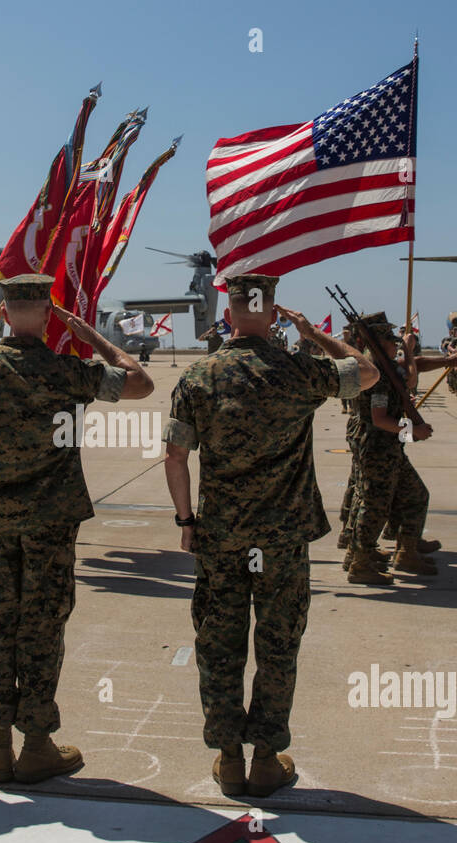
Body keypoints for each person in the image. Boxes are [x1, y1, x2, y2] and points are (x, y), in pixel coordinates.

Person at [162, 275, 377, 798]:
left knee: (219, 643)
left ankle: (229, 758)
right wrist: (317, 335)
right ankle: (264, 758)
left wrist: (186, 521)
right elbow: (367, 372)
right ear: (274, 312)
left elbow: (174, 457)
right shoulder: (298, 370)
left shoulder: (198, 376)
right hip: (281, 540)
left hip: (219, 537)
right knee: (278, 644)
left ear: (230, 311)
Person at [0, 274, 153, 785]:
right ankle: (36, 745)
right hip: (50, 523)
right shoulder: (68, 370)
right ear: (47, 313)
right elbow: (140, 382)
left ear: (6, 312)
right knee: (41, 627)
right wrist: (89, 333)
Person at [342, 313, 449, 585]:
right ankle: (361, 562)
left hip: (386, 446)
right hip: (378, 446)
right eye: (390, 339)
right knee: (374, 504)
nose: (395, 344)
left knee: (411, 496)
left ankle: (403, 552)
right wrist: (414, 431)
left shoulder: (379, 366)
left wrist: (409, 352)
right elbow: (379, 418)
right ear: (378, 340)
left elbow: (409, 378)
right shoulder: (378, 372)